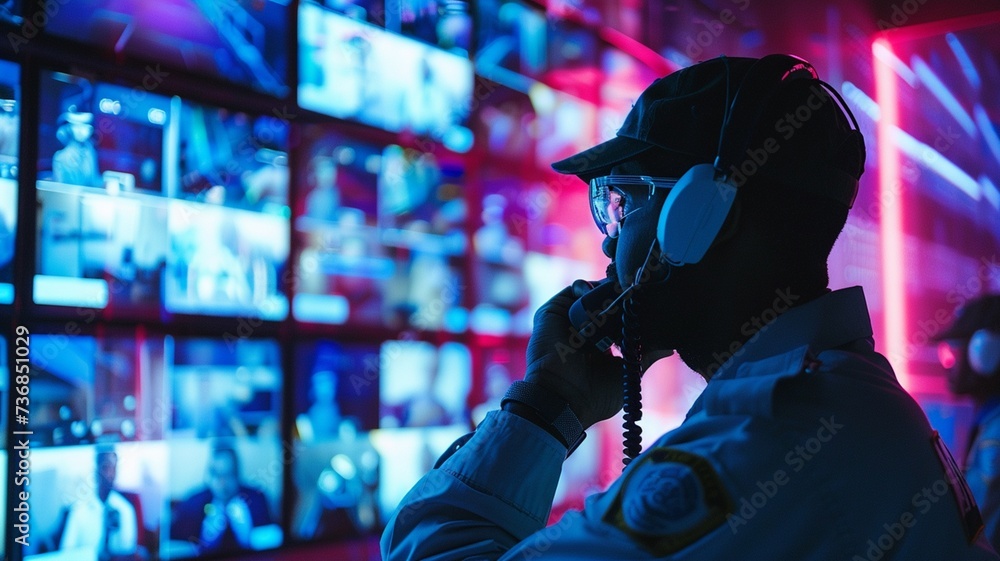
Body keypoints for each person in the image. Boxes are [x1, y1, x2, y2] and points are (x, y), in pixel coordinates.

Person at [381, 55, 999, 559]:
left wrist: (543, 407)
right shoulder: (856, 399)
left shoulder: (752, 453)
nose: (607, 237)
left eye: (623, 203)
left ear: (702, 218)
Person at [936, 294, 1000, 552]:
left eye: (952, 353)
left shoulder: (995, 437)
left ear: (986, 350)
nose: (947, 366)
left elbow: (981, 534)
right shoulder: (989, 422)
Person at [170, 443, 274, 555]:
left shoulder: (257, 499)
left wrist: (248, 537)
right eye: (217, 474)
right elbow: (175, 548)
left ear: (237, 475)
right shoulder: (192, 504)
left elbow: (272, 546)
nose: (222, 483)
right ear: (208, 475)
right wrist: (202, 544)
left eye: (228, 474)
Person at [60, 446, 139, 560]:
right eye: (106, 467)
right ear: (96, 469)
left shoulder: (125, 509)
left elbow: (130, 552)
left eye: (114, 468)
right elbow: (66, 554)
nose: (110, 474)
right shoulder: (79, 511)